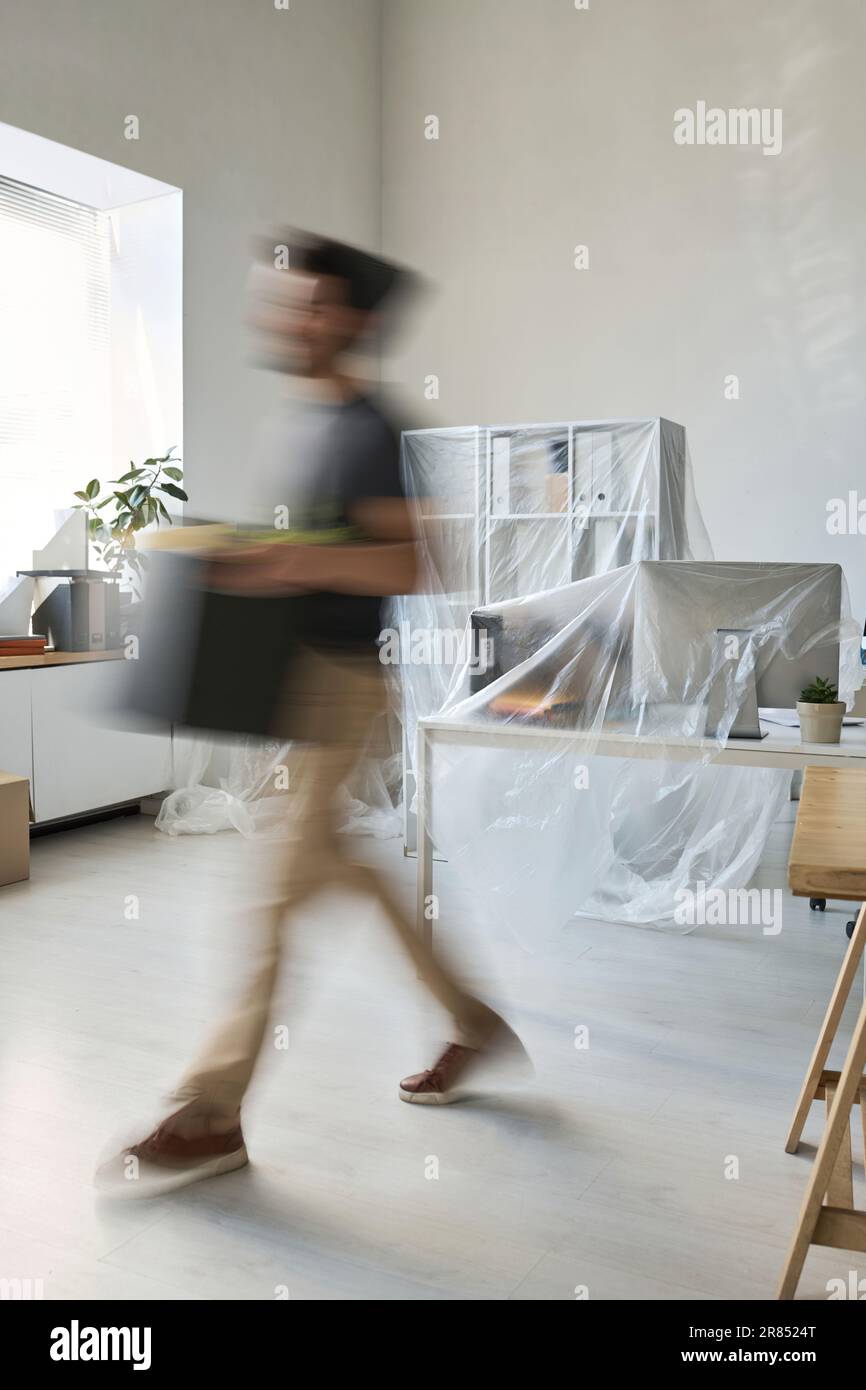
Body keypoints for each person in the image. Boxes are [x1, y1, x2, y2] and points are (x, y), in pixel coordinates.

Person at [102, 232, 526, 1193]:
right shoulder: (303, 423)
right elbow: (321, 553)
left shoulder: (369, 428)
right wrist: (250, 561)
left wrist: (294, 562)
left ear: (354, 320)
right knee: (343, 872)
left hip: (344, 685)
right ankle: (474, 1022)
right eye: (279, 299)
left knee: (270, 894)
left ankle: (214, 1112)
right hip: (304, 681)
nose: (286, 316)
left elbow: (413, 564)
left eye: (308, 303)